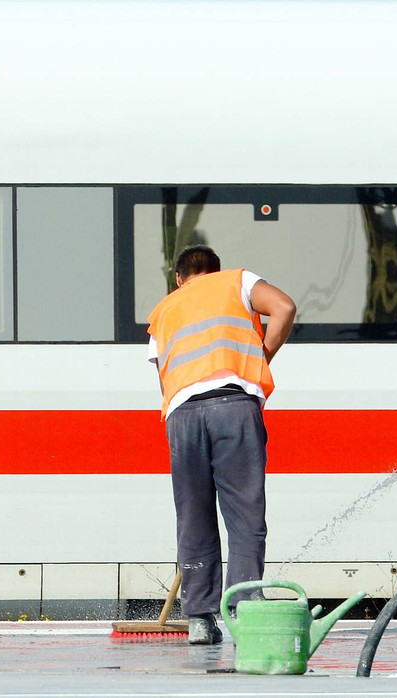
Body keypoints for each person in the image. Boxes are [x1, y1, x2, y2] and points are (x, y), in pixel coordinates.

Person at [146, 245, 297, 645]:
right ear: (215, 270)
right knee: (245, 514)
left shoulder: (163, 312)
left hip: (182, 416)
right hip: (234, 405)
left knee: (193, 516)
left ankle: (199, 619)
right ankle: (245, 605)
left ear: (179, 278)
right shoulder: (237, 281)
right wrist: (261, 357)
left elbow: (165, 380)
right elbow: (284, 307)